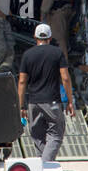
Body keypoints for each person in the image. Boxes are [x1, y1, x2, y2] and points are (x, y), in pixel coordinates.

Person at [16, 23, 75, 162]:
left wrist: (21, 106)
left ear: (35, 37)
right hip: (52, 102)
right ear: (50, 37)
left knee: (38, 137)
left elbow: (22, 82)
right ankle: (44, 165)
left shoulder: (27, 55)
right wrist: (70, 101)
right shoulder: (57, 53)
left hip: (33, 103)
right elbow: (65, 78)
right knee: (55, 135)